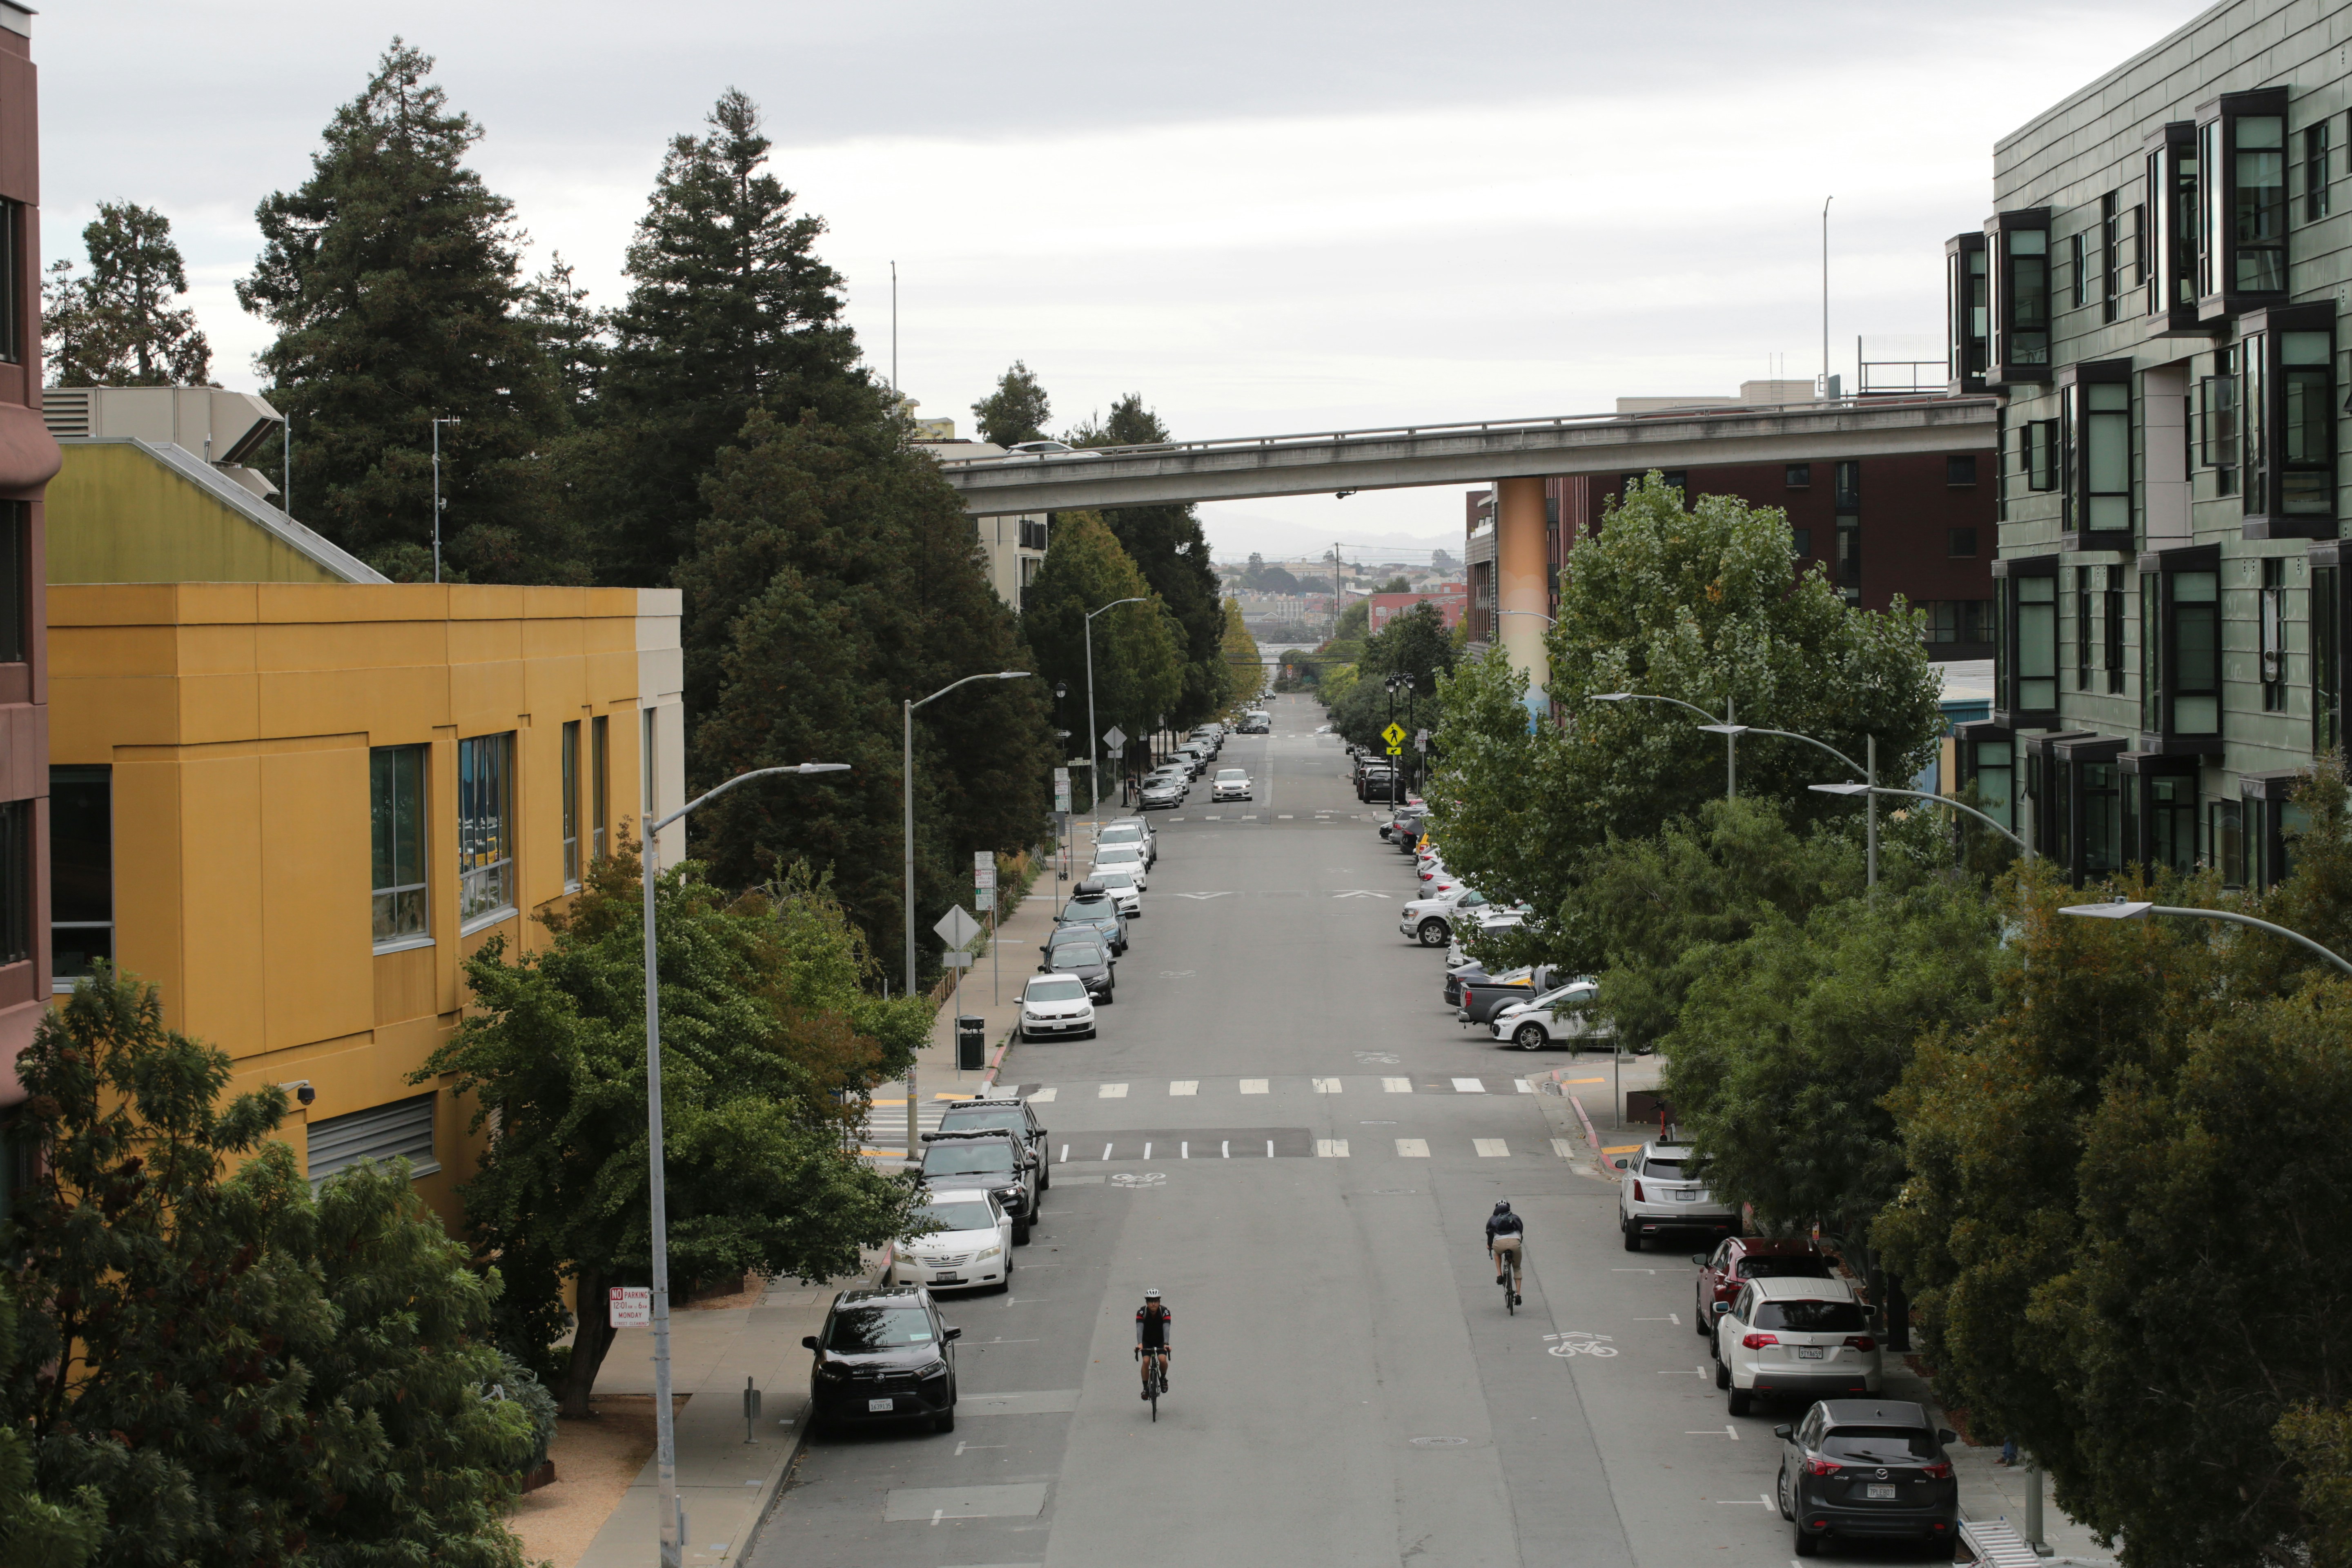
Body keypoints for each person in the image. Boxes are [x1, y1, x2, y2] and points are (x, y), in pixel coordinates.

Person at [1487, 1200, 1525, 1304]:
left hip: (1500, 1244)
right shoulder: (1515, 1217)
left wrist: (1489, 1246)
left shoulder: (1493, 1219)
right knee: (1517, 1268)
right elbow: (1521, 1231)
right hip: (1515, 1244)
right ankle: (1518, 1294)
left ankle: (1500, 1275)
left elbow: (1489, 1234)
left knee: (1497, 1253)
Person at [1135, 1287, 1171, 1397]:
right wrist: (1140, 1344)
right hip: (1147, 1341)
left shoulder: (1165, 1312)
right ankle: (1146, 1388)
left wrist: (1166, 1344)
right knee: (1146, 1361)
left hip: (1160, 1341)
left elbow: (1166, 1328)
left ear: (1159, 1302)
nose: (1154, 1304)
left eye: (1156, 1301)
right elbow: (1139, 1328)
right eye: (1151, 1301)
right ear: (1147, 1303)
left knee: (1162, 1359)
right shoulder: (1142, 1312)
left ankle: (1163, 1378)